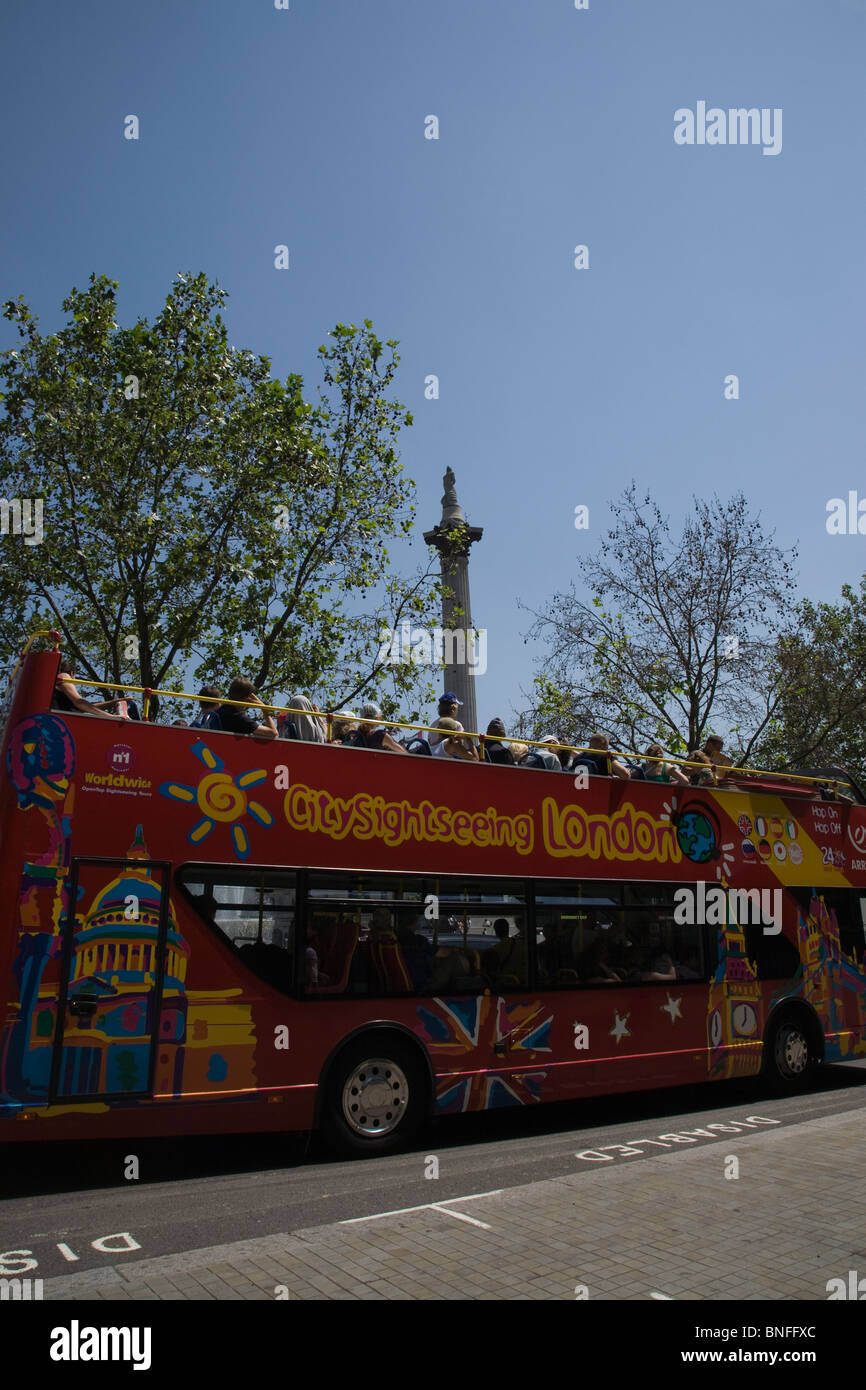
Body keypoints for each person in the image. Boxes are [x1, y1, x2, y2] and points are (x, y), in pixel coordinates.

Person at [53, 659, 129, 720]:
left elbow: (85, 707)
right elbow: (79, 702)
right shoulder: (64, 676)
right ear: (72, 674)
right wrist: (110, 716)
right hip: (65, 722)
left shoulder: (63, 697)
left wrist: (114, 702)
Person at [211, 678, 278, 739]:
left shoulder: (220, 710)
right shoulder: (238, 717)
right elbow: (274, 733)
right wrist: (264, 710)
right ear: (247, 698)